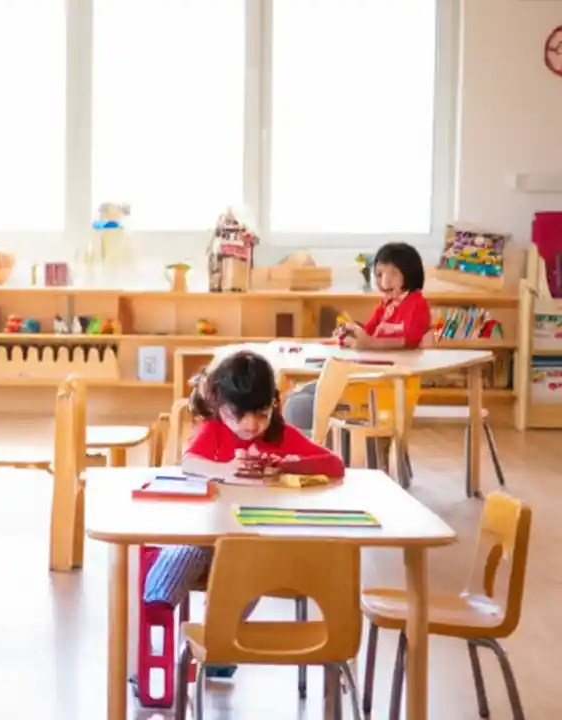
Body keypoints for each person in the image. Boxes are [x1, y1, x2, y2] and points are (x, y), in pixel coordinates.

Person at [144, 351, 345, 674]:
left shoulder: (282, 437)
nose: (251, 425)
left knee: (248, 570)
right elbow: (189, 463)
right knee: (185, 549)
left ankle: (221, 646)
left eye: (261, 414)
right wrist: (224, 470)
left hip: (256, 545)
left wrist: (288, 464)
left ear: (274, 405)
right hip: (207, 538)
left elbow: (334, 465)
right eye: (238, 415)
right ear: (218, 406)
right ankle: (159, 599)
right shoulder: (214, 431)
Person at [285, 241, 431, 433]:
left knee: (297, 407)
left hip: (383, 385)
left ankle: (318, 450)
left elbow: (411, 340)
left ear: (410, 274)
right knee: (296, 396)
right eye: (379, 274)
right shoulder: (385, 305)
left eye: (393, 274)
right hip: (364, 376)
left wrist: (371, 343)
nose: (384, 281)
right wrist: (352, 332)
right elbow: (368, 331)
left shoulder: (417, 304)